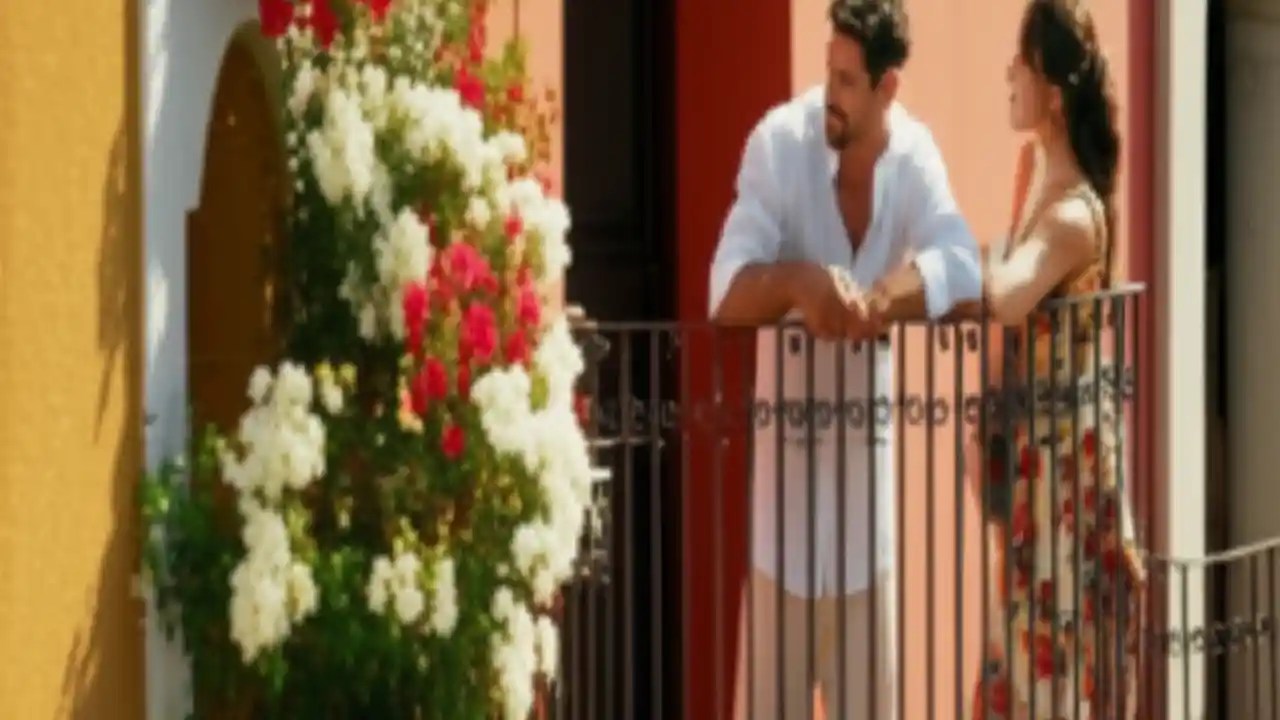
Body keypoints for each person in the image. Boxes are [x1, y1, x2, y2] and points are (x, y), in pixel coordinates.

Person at [707, 1, 982, 717]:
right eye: (829, 72)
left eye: (849, 80)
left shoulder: (916, 157)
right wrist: (800, 282)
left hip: (869, 536)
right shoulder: (778, 144)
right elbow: (724, 292)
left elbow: (960, 258)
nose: (831, 92)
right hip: (781, 535)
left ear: (888, 87)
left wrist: (884, 301)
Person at [963, 1, 1144, 718]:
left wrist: (943, 251)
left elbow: (1007, 298)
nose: (1008, 72)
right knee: (1026, 650)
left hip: (1063, 475)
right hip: (1046, 466)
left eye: (1022, 63)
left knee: (1048, 663)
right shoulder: (1040, 184)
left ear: (1054, 96)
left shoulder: (1072, 214)